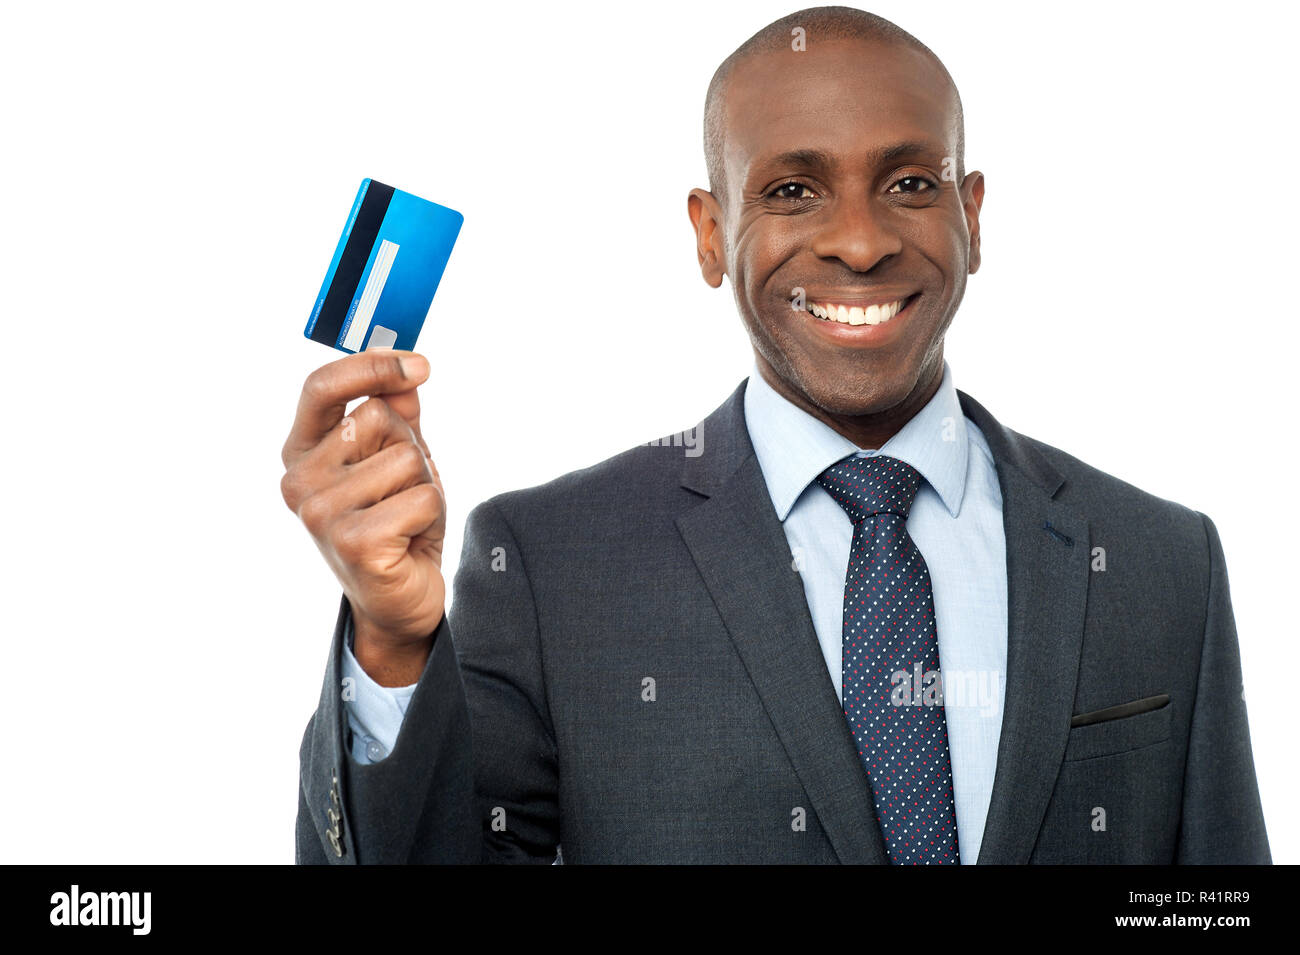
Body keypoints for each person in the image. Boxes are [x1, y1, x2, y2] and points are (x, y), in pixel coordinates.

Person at [280, 6, 1270, 864]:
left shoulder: (1157, 559)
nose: (859, 240)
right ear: (710, 236)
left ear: (972, 216)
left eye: (911, 184)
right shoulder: (551, 563)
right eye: (792, 190)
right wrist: (394, 644)